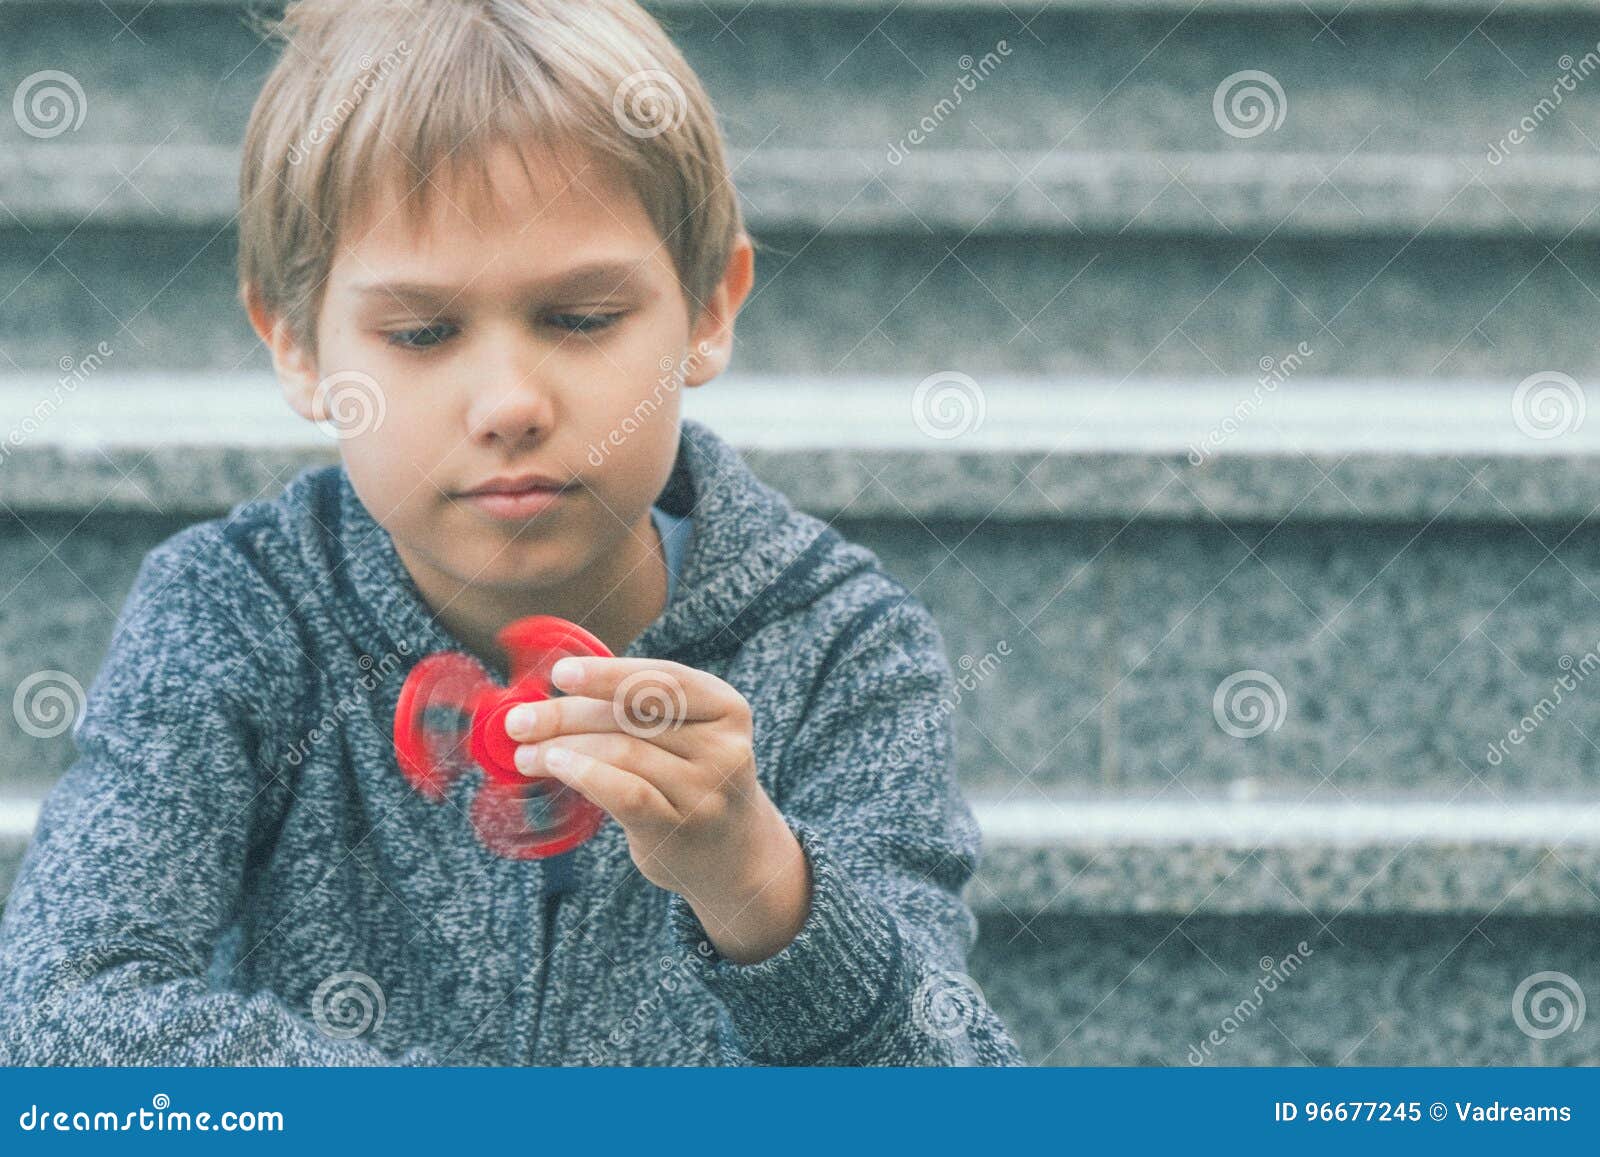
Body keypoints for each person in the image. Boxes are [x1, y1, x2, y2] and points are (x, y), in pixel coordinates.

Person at [0, 0, 1025, 1067]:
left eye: (580, 319)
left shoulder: (838, 647)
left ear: (711, 308)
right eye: (422, 333)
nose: (508, 403)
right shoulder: (234, 613)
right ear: (297, 346)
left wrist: (763, 885)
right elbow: (56, 1019)